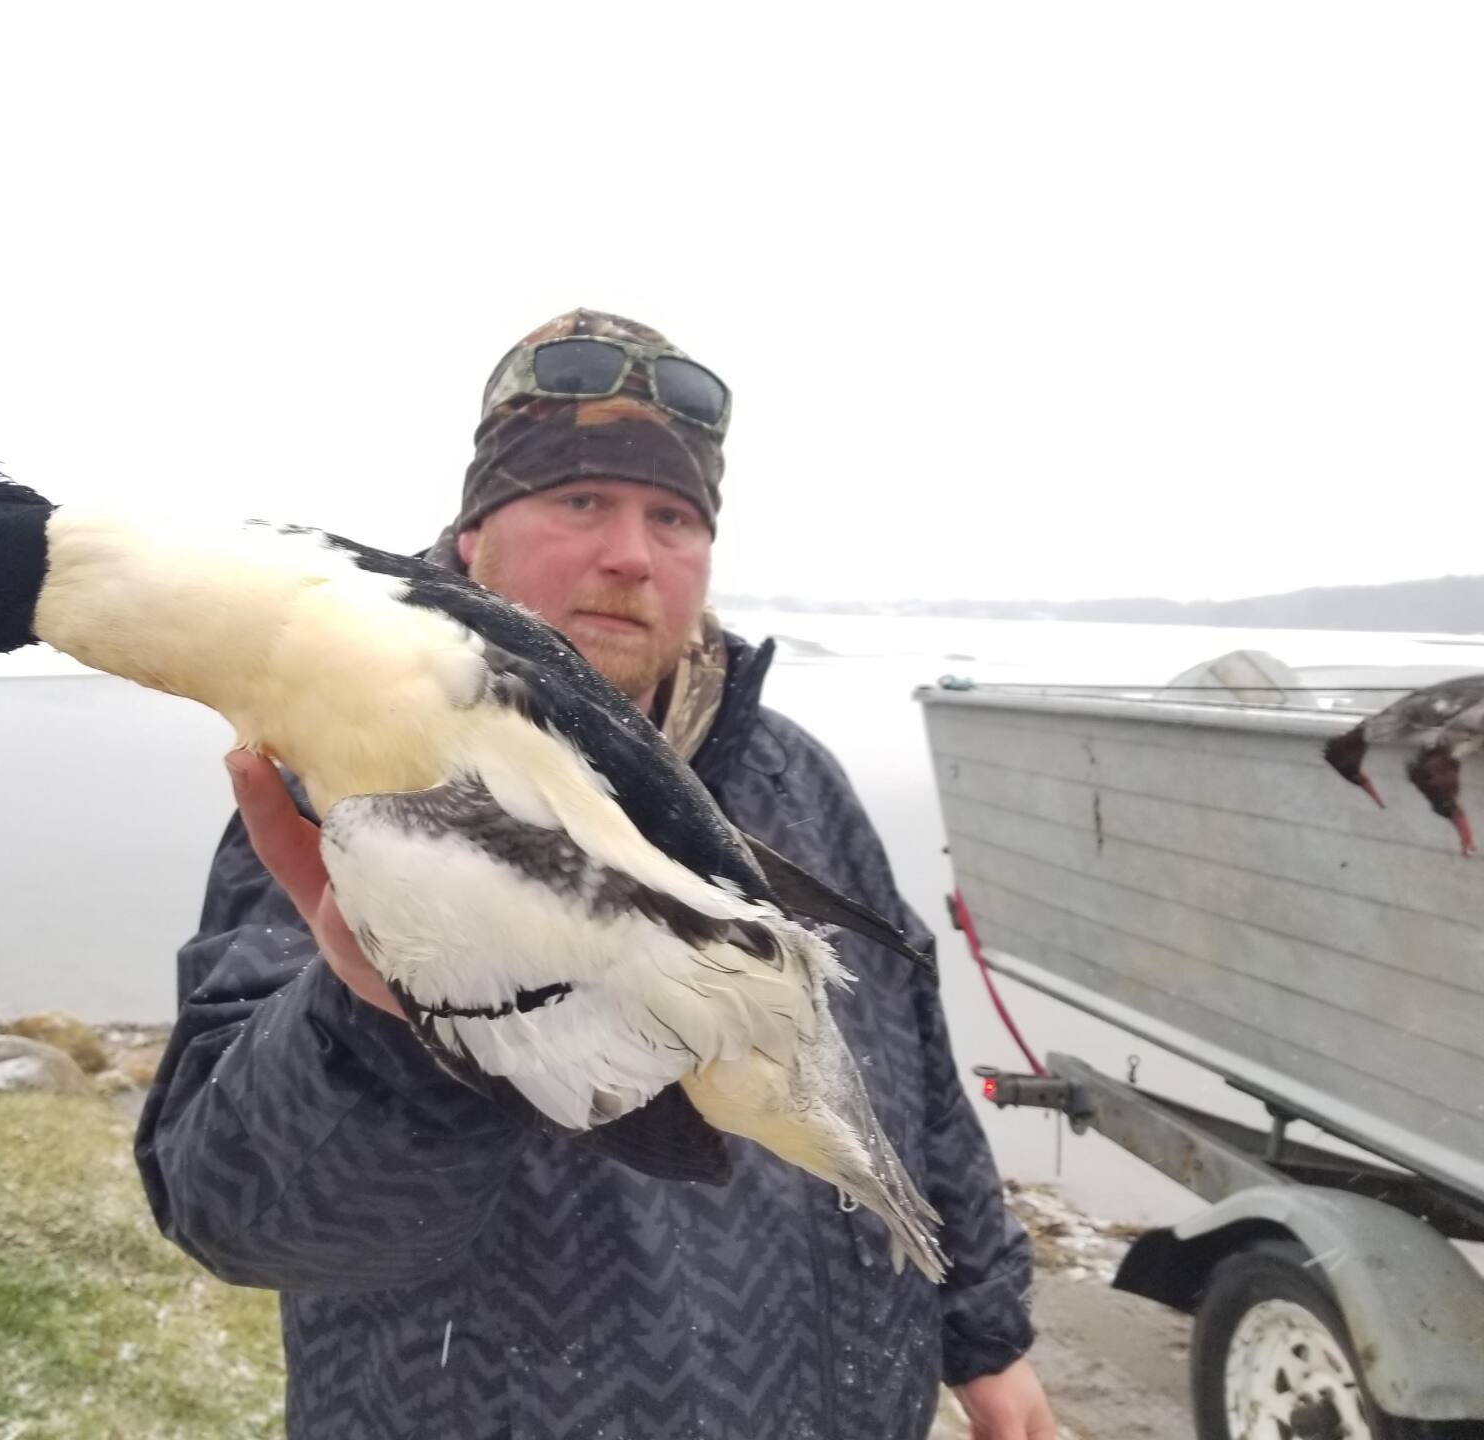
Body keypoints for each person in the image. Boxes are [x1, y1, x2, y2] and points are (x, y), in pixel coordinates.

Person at [136, 309, 1053, 1440]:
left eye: (672, 517)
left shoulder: (794, 784)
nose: (631, 554)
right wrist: (381, 1025)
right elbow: (236, 1216)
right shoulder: (336, 779)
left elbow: (906, 1076)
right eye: (581, 503)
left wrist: (987, 1337)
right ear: (476, 535)